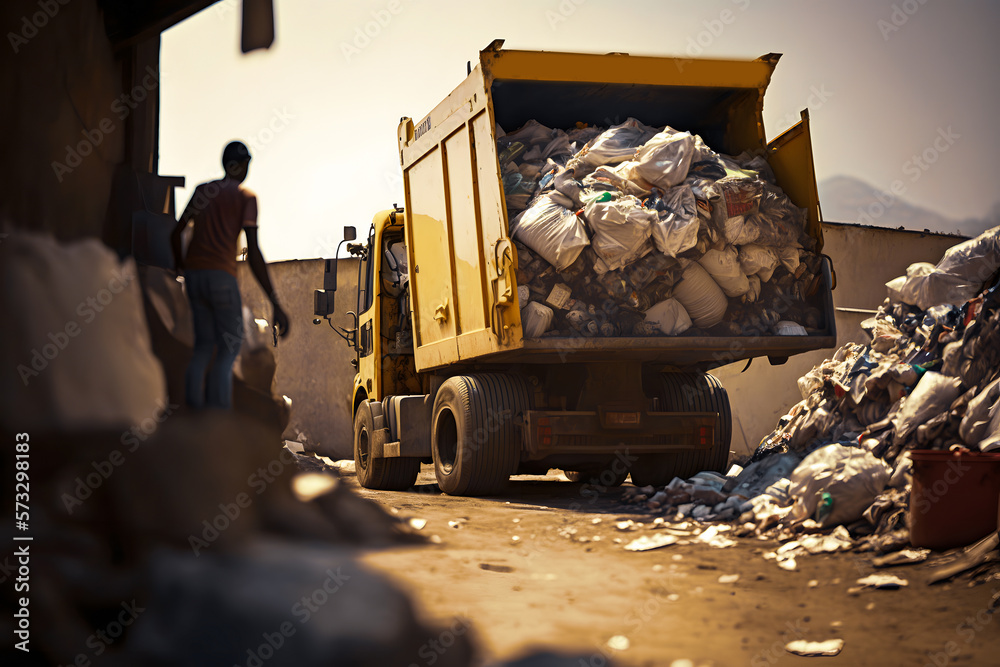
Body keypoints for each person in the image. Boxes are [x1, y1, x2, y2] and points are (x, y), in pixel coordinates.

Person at [171, 140, 289, 409]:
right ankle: (218, 416)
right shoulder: (246, 198)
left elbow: (175, 232)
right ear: (244, 166)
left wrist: (181, 267)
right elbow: (254, 252)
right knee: (228, 349)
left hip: (195, 278)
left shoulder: (203, 191)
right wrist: (275, 303)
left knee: (203, 347)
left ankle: (191, 412)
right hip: (222, 278)